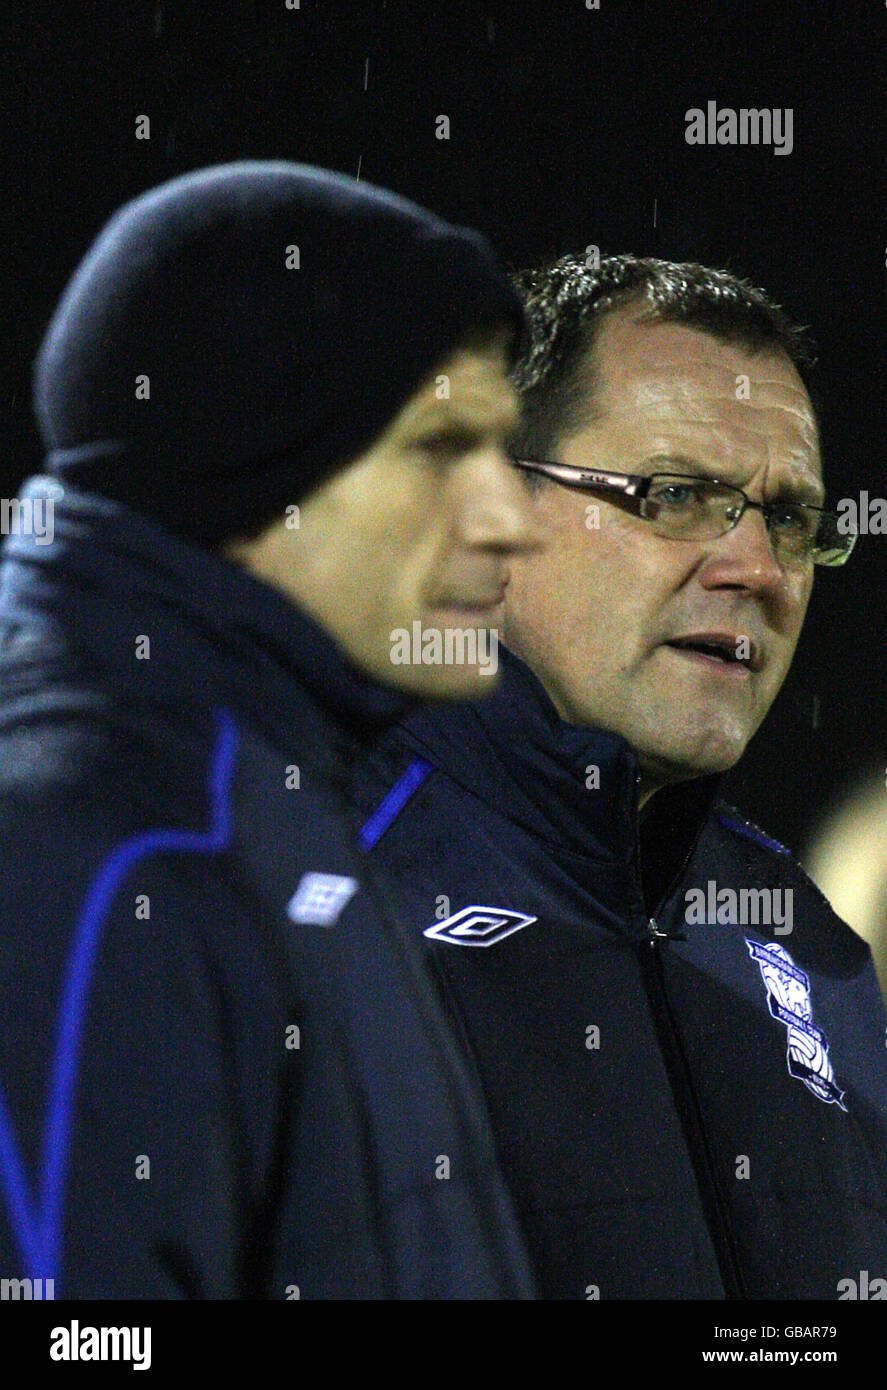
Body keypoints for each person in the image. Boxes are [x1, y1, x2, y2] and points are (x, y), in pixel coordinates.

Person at [0, 161, 544, 1299]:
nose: (510, 520)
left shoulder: (268, 795)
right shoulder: (93, 850)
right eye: (439, 448)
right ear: (246, 461)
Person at [354, 255, 887, 1299]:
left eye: (787, 518)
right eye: (675, 495)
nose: (757, 571)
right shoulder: (291, 880)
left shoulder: (810, 947)